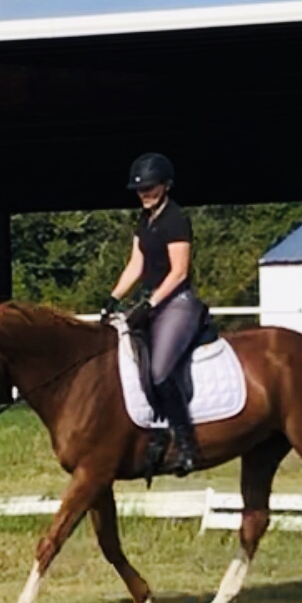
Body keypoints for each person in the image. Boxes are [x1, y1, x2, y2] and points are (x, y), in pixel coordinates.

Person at [102, 152, 203, 475]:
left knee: (159, 371)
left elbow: (179, 271)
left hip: (178, 303)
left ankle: (186, 444)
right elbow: (137, 264)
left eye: (150, 187)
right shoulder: (144, 221)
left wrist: (150, 303)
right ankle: (156, 430)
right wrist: (113, 298)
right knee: (132, 364)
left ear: (166, 185)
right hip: (152, 302)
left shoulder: (175, 219)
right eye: (140, 189)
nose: (144, 193)